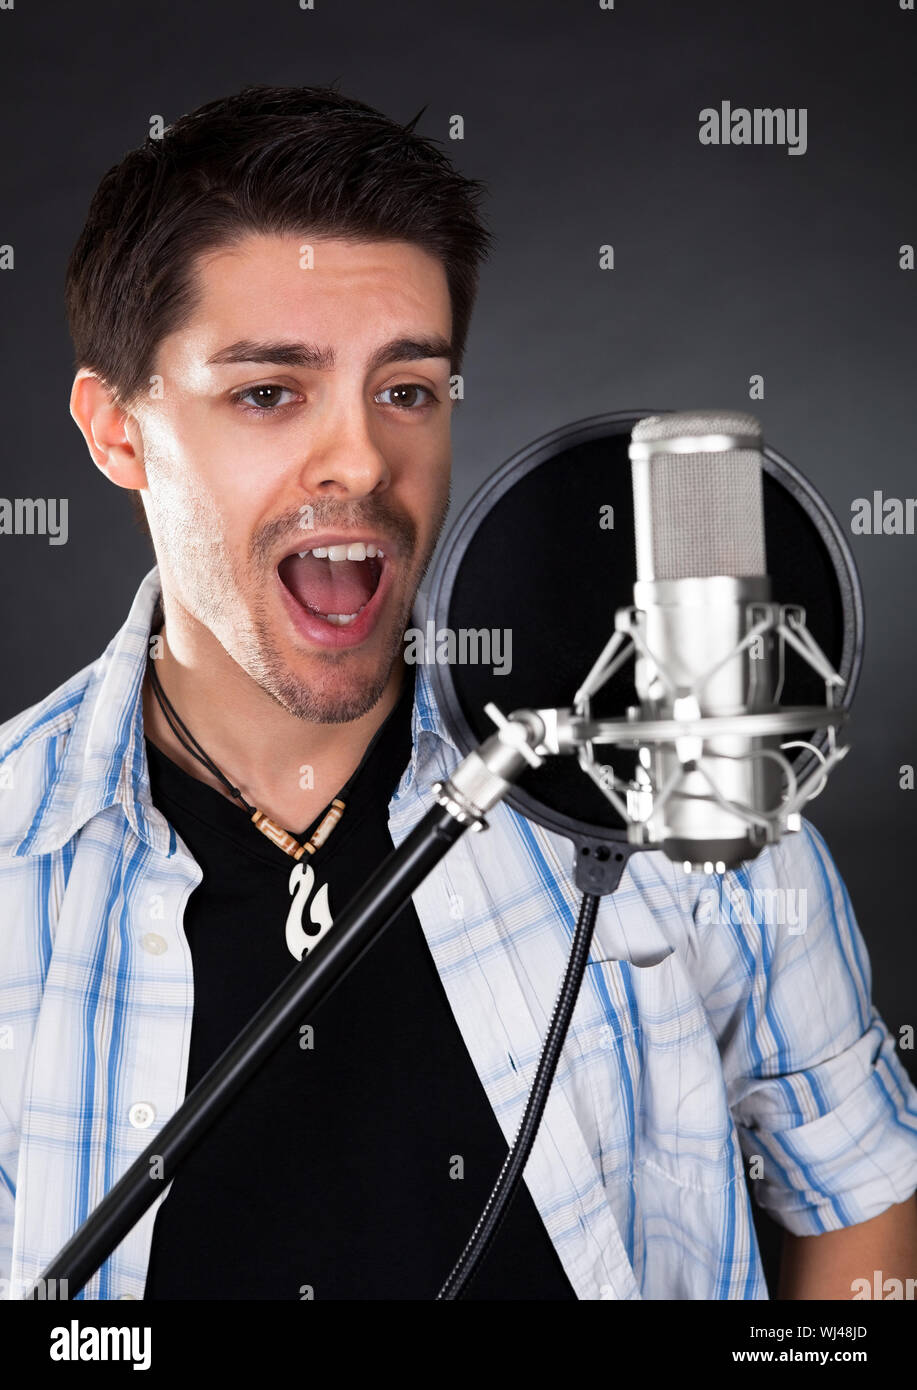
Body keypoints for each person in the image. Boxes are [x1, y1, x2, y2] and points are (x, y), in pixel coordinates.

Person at [1, 83, 915, 1302]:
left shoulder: (670, 766)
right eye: (269, 391)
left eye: (407, 389)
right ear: (117, 432)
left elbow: (860, 1201)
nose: (364, 459)